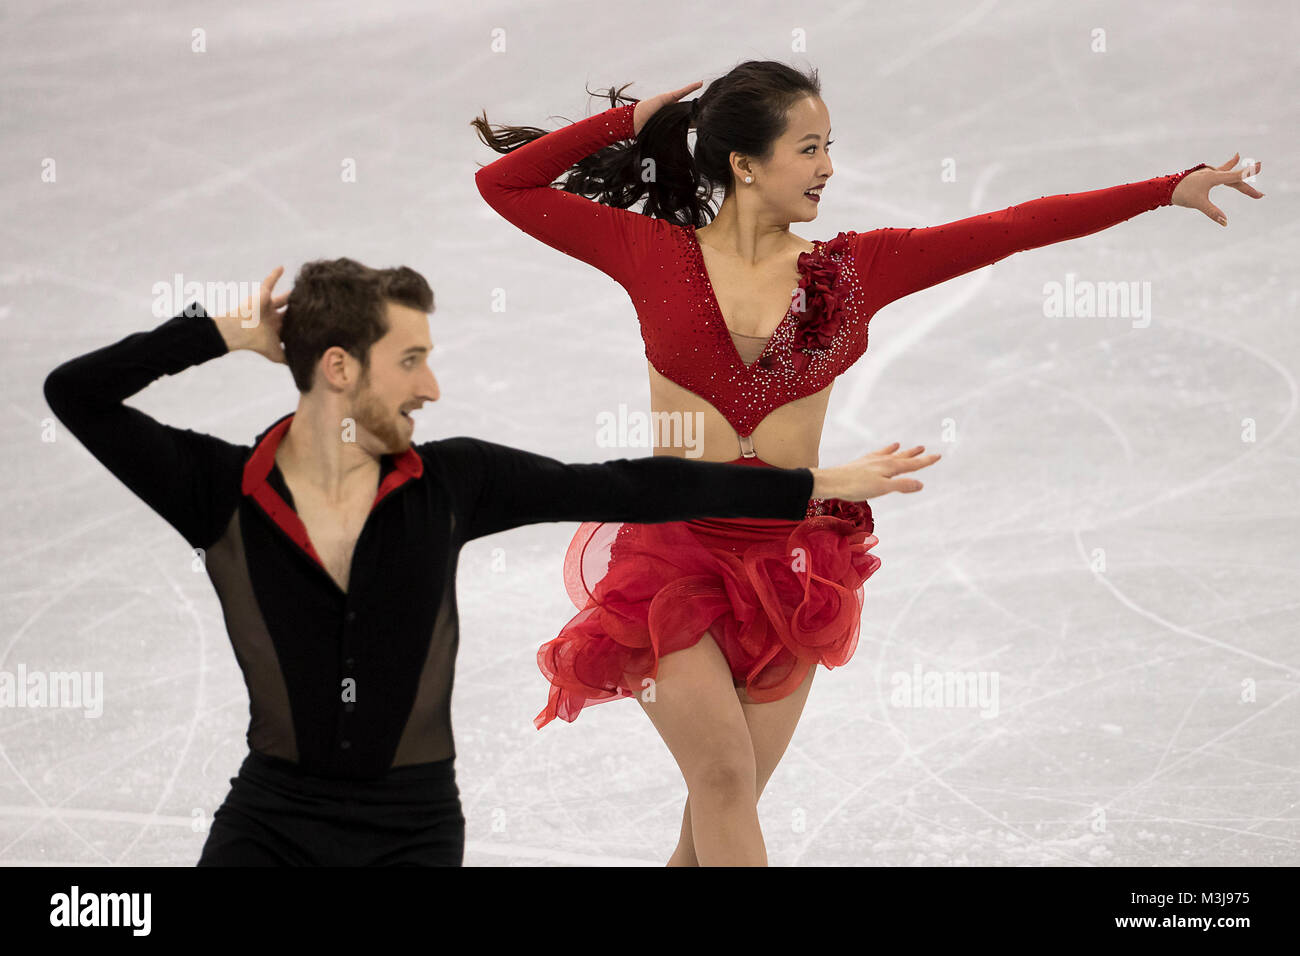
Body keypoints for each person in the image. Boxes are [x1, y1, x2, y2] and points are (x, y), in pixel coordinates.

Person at [471, 58, 1263, 865]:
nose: (829, 167)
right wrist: (630, 122)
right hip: (673, 560)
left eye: (830, 146)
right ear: (744, 164)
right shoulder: (651, 252)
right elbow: (504, 184)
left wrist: (1166, 188)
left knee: (716, 815)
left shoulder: (853, 271)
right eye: (809, 148)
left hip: (794, 571)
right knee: (720, 780)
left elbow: (1016, 225)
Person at [40, 256, 939, 866]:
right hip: (269, 828)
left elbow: (635, 486)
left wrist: (810, 482)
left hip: (412, 835)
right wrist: (216, 331)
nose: (433, 386)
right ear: (342, 370)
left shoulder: (452, 482)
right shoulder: (222, 491)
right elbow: (73, 393)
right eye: (412, 360)